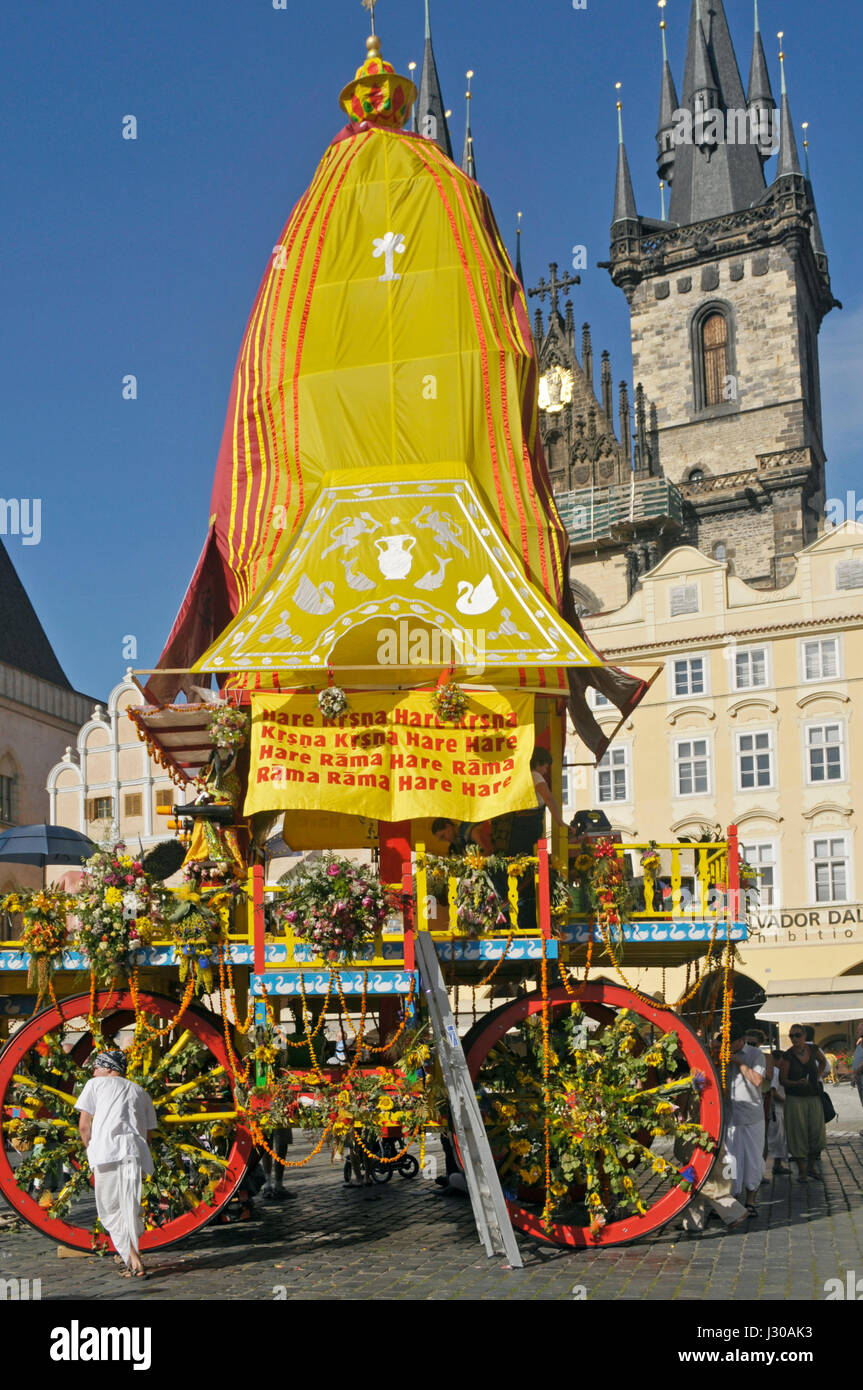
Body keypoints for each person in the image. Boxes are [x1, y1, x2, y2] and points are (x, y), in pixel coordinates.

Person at [75, 1050, 157, 1278]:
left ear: (108, 1069)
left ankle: (133, 1259)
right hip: (135, 1152)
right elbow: (149, 1133)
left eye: (97, 1067)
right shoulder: (140, 1091)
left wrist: (89, 1148)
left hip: (107, 1151)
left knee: (110, 1209)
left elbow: (84, 1125)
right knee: (130, 1207)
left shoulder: (95, 1084)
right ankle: (130, 1254)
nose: (93, 1071)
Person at [724, 1028, 766, 1214]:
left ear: (741, 1041)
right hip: (730, 1115)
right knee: (729, 1160)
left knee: (753, 1159)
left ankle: (751, 1201)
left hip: (751, 1116)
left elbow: (757, 1080)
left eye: (731, 1042)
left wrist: (739, 1063)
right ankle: (730, 1202)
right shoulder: (723, 1054)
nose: (728, 1046)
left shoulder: (756, 1055)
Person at [778, 1025, 827, 1183]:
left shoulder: (813, 1050)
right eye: (791, 1036)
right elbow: (782, 1080)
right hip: (795, 1099)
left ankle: (811, 1166)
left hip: (813, 1097)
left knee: (817, 1134)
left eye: (797, 1035)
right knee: (798, 1134)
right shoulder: (788, 1056)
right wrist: (795, 1083)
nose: (794, 1039)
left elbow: (823, 1062)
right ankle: (802, 1171)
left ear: (804, 1035)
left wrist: (818, 1077)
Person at [766, 1050, 790, 1176]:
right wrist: (786, 1101)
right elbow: (773, 1091)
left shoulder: (776, 1072)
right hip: (776, 1110)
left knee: (777, 1139)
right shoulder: (775, 1072)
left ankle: (777, 1164)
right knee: (776, 1139)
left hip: (777, 1110)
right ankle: (775, 1165)